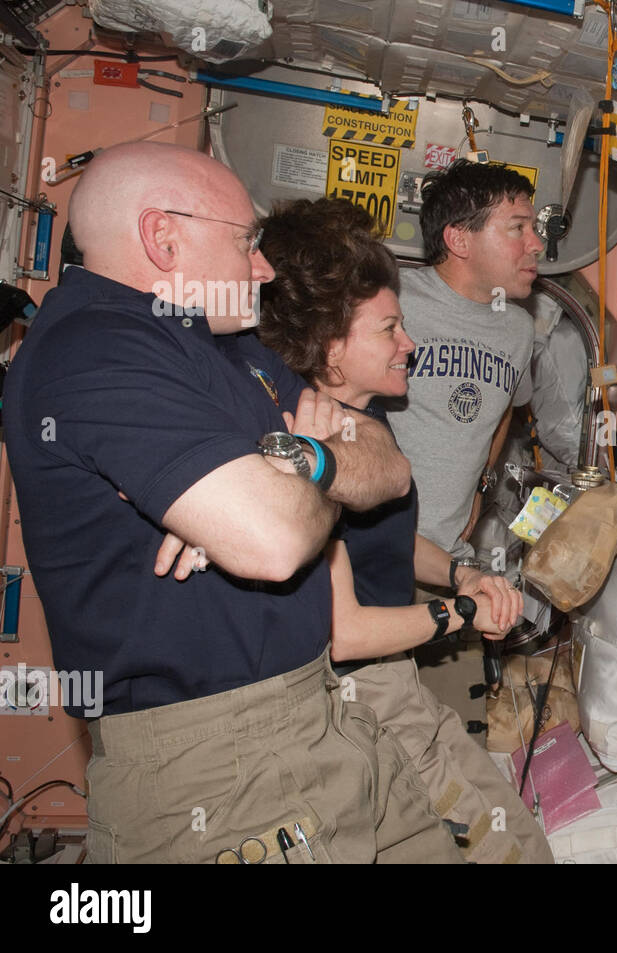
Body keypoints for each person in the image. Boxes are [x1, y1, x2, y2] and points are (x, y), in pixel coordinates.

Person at [2, 142, 458, 863]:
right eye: (247, 241)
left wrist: (299, 463)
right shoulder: (92, 349)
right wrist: (303, 479)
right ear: (163, 237)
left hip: (325, 716)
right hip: (219, 765)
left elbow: (389, 465)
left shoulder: (233, 347)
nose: (265, 267)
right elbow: (273, 542)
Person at [255, 197, 554, 863]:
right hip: (360, 690)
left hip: (391, 678)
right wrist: (463, 611)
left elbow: (383, 544)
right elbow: (345, 629)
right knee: (507, 849)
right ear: (331, 348)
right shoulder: (318, 443)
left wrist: (459, 571)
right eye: (389, 330)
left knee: (513, 836)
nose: (409, 344)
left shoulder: (369, 428)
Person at [388, 159, 544, 561]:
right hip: (371, 555)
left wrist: (482, 483)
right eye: (517, 228)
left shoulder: (519, 328)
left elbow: (503, 411)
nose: (537, 243)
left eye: (534, 228)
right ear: (459, 240)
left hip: (449, 558)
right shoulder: (392, 301)